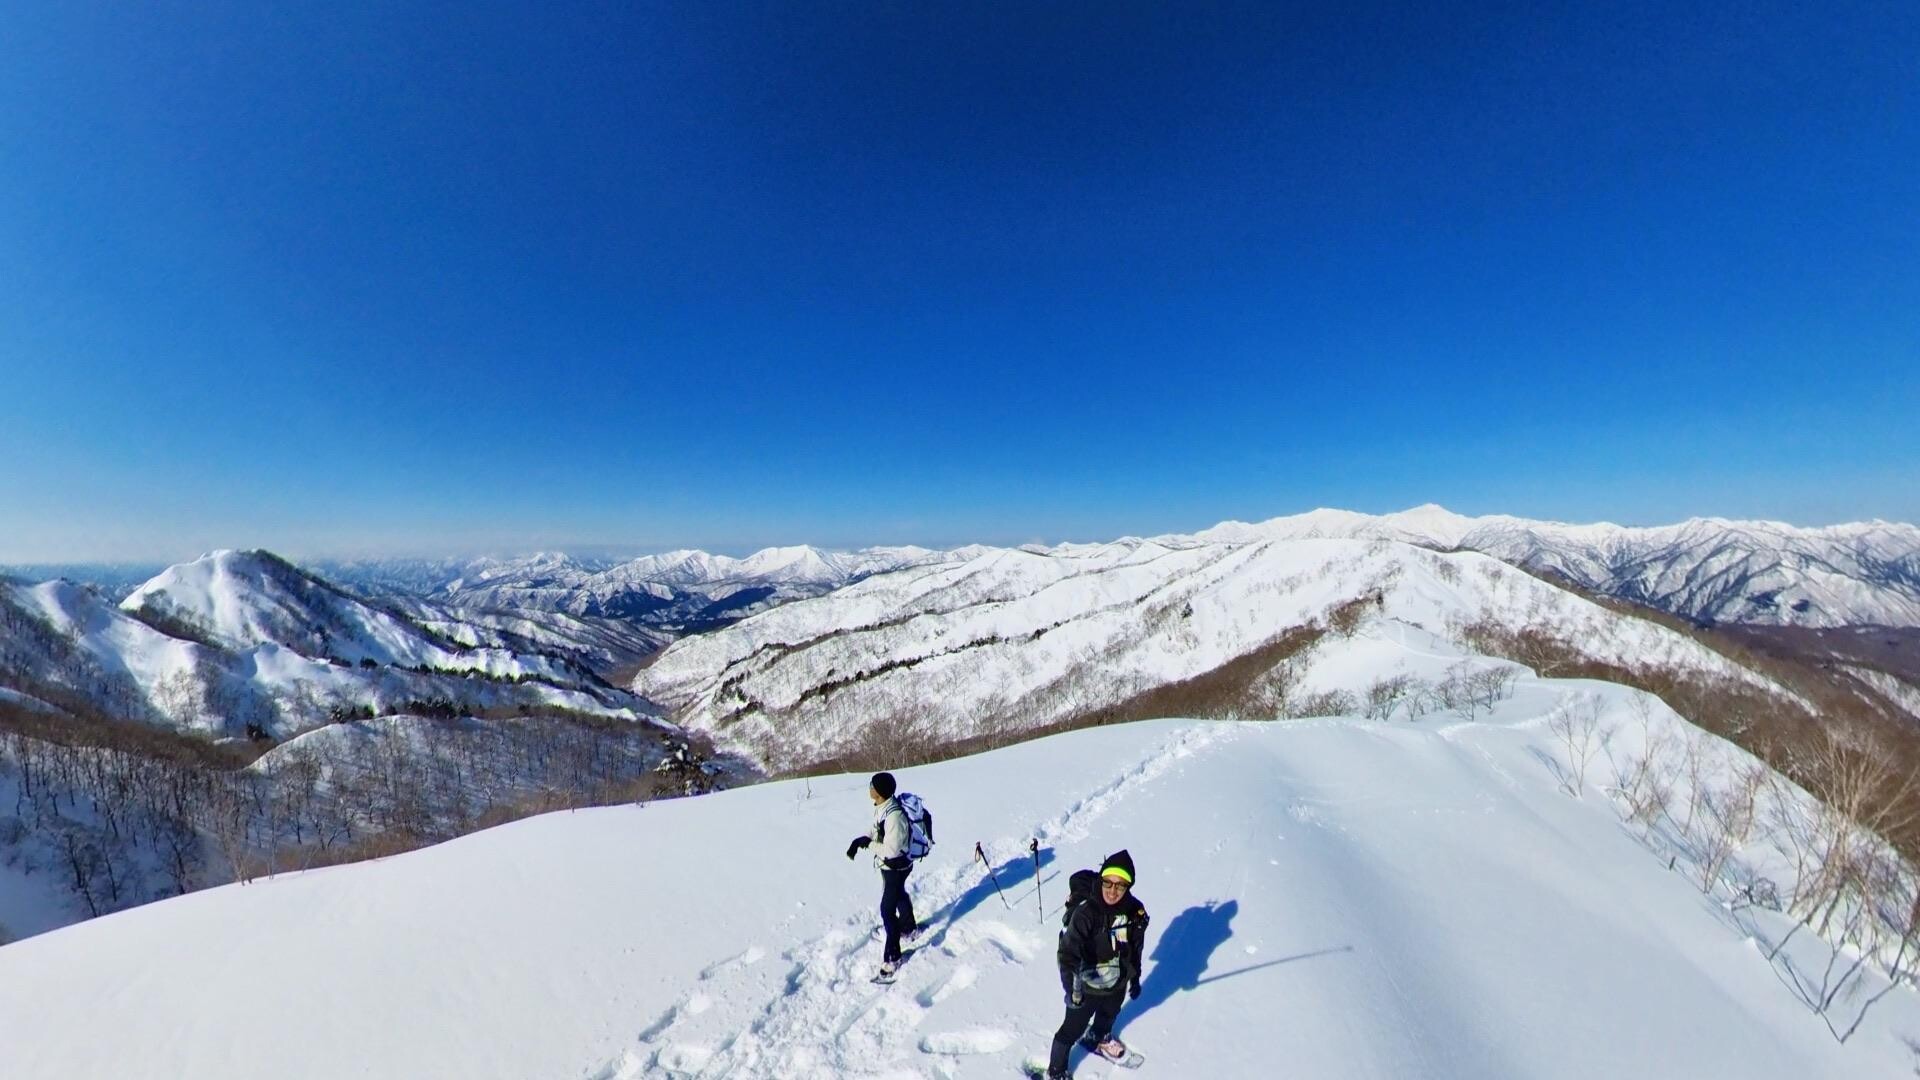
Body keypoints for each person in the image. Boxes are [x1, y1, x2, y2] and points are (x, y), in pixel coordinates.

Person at [1047, 849, 1149, 1079]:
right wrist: (1072, 990)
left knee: (1109, 1013)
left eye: (1120, 885)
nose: (1112, 891)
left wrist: (1135, 976)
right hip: (1086, 984)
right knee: (1071, 1030)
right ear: (1101, 880)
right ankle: (1056, 1070)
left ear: (1128, 886)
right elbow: (1067, 954)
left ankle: (1098, 1037)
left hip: (1117, 979)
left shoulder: (1135, 912)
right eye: (1108, 883)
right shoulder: (1086, 913)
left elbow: (1136, 946)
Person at [845, 771, 918, 978]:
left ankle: (893, 958)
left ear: (880, 791)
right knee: (899, 895)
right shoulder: (883, 807)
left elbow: (891, 850)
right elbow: (876, 827)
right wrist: (861, 840)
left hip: (896, 866)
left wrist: (869, 844)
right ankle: (909, 928)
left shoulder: (894, 816)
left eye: (872, 785)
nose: (869, 787)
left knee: (887, 911)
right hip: (893, 867)